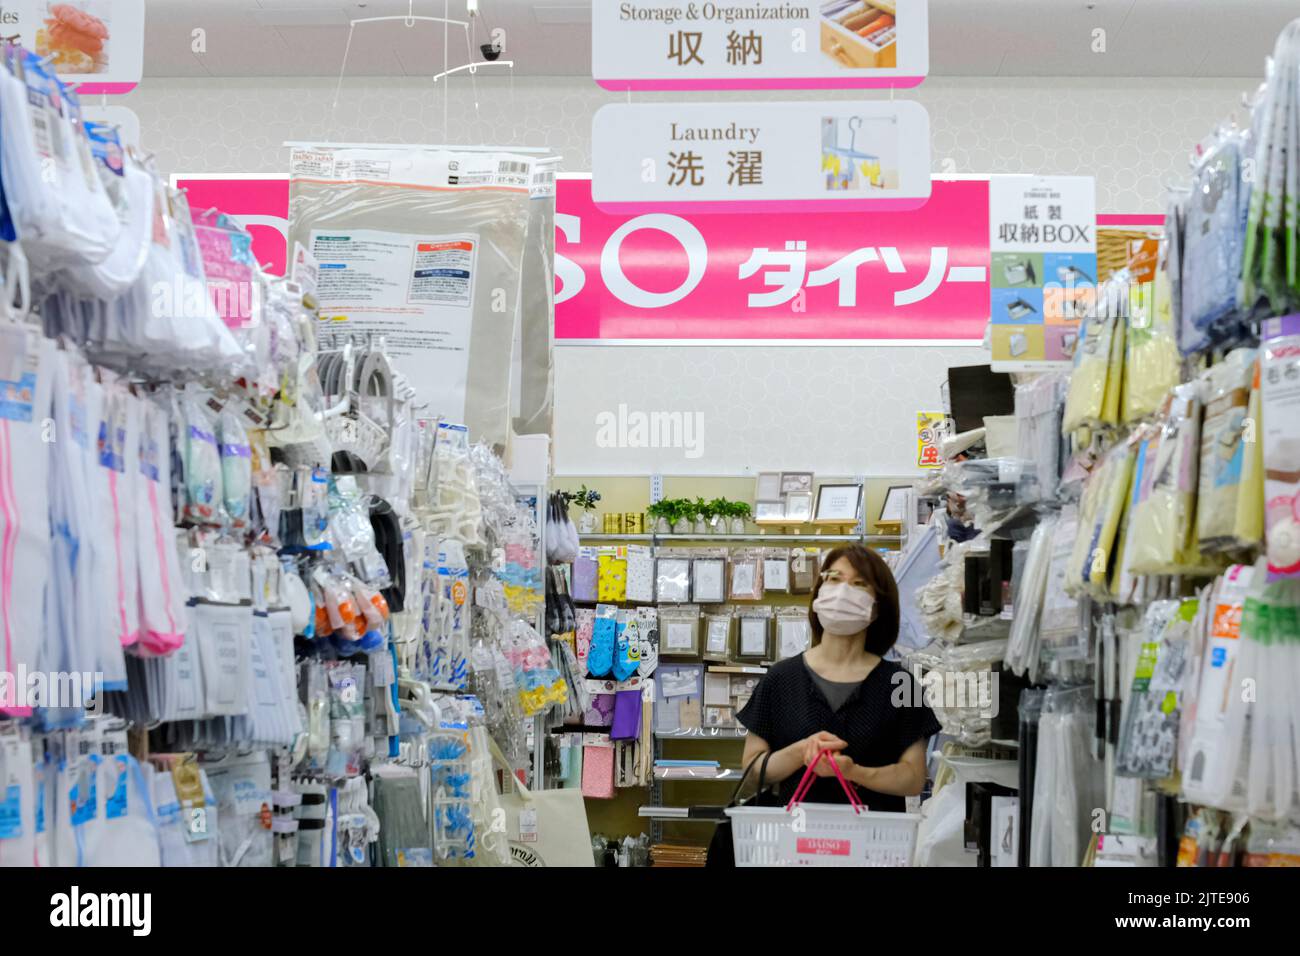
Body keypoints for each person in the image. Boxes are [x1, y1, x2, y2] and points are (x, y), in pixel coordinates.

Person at [737, 544, 941, 811]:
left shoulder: (901, 684)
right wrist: (802, 751)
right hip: (794, 833)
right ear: (819, 593)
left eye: (859, 583)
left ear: (877, 608)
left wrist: (854, 772)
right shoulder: (780, 679)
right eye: (834, 579)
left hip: (876, 834)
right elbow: (753, 771)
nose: (843, 591)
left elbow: (913, 779)